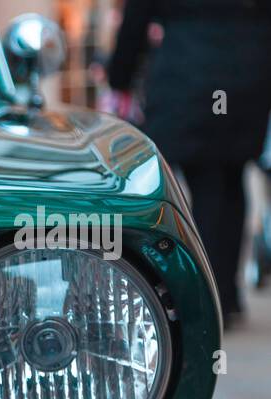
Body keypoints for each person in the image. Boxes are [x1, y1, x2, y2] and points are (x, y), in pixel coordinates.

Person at [105, 0, 271, 327]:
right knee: (229, 179)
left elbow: (136, 19)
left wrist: (118, 77)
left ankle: (209, 298)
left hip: (189, 75)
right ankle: (225, 292)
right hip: (248, 76)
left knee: (205, 182)